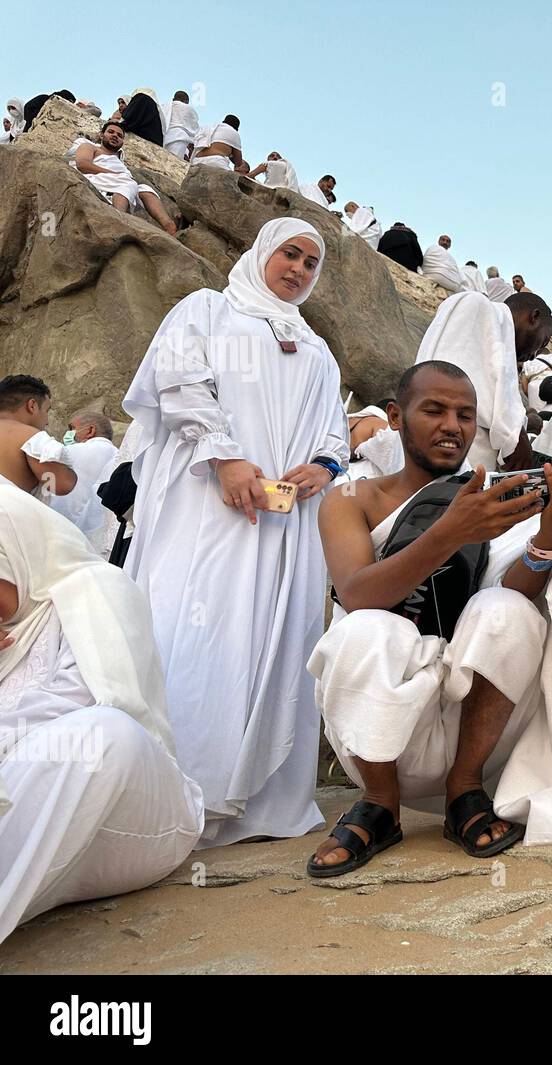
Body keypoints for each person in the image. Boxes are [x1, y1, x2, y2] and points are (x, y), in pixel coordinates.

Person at [306, 360, 552, 870]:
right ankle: (379, 805)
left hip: (474, 721)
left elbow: (515, 593)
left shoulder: (492, 492)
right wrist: (452, 531)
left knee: (508, 610)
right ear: (395, 416)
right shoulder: (352, 497)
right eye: (434, 410)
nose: (452, 425)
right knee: (365, 628)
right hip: (383, 727)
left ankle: (464, 792)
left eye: (465, 414)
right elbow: (359, 594)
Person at [123, 218, 350, 848]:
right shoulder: (209, 310)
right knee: (200, 626)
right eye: (290, 254)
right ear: (261, 252)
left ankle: (261, 804)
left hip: (286, 522)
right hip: (211, 507)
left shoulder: (317, 348)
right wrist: (225, 459)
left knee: (275, 640)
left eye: (312, 263)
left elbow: (334, 431)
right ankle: (177, 793)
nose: (300, 270)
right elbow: (178, 382)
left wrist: (323, 467)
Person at [0, 485, 204, 944]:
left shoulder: (94, 591)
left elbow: (79, 709)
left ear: (17, 551)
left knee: (99, 736)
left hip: (128, 819)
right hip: (34, 828)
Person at [414, 291, 551, 471]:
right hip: (447, 461)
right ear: (534, 317)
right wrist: (514, 434)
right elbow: (451, 380)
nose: (533, 357)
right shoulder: (475, 305)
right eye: (542, 344)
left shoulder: (499, 341)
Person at [68, 122, 177, 235]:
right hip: (96, 179)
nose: (115, 135)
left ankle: (169, 226)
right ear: (102, 135)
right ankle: (118, 218)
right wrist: (116, 175)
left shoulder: (120, 162)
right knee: (129, 184)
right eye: (111, 132)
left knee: (145, 189)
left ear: (122, 142)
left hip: (119, 183)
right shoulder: (90, 147)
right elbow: (82, 165)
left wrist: (121, 176)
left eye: (120, 136)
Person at [48, 410, 118, 557]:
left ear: (90, 430)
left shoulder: (68, 453)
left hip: (64, 538)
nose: (69, 434)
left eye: (71, 428)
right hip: (104, 544)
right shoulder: (120, 456)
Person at [0, 376, 76, 498]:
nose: (47, 421)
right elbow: (61, 484)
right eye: (47, 411)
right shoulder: (30, 436)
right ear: (32, 406)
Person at [162, 90, 199, 160]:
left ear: (173, 99)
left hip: (163, 136)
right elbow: (195, 129)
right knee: (173, 163)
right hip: (179, 138)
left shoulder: (164, 106)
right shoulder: (189, 109)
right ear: (186, 101)